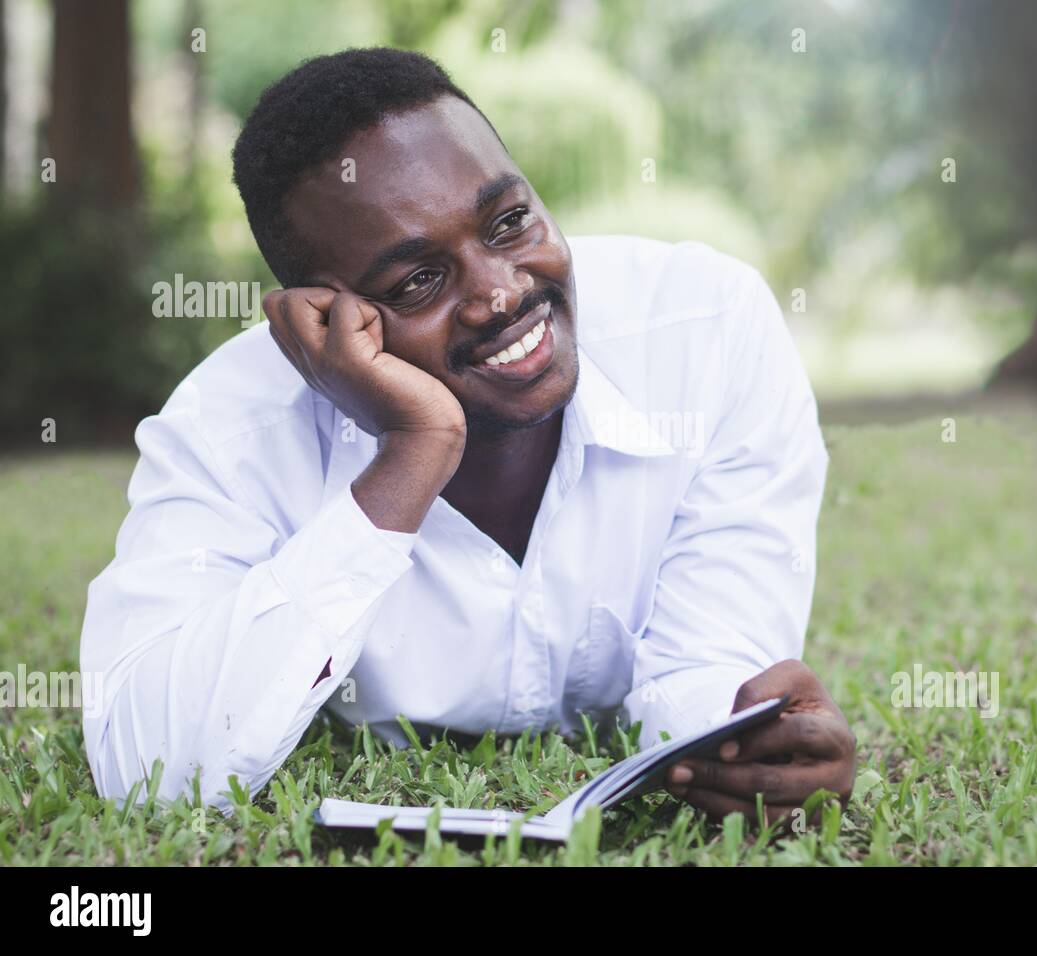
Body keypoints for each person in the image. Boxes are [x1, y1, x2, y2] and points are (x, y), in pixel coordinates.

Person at [80, 48, 855, 824]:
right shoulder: (229, 428)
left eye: (509, 223)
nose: (501, 291)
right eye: (418, 280)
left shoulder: (709, 333)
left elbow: (705, 660)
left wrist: (747, 741)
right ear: (323, 320)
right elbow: (144, 766)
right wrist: (411, 453)